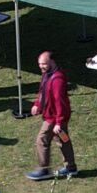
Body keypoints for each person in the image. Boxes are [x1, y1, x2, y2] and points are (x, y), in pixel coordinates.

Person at [28, 52, 77, 181]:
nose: (41, 67)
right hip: (54, 116)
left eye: (44, 64)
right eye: (39, 64)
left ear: (52, 62)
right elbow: (42, 91)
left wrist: (58, 123)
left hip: (54, 118)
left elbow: (59, 102)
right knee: (63, 140)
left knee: (42, 140)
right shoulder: (47, 75)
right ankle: (71, 167)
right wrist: (37, 104)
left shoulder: (57, 80)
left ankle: (44, 169)